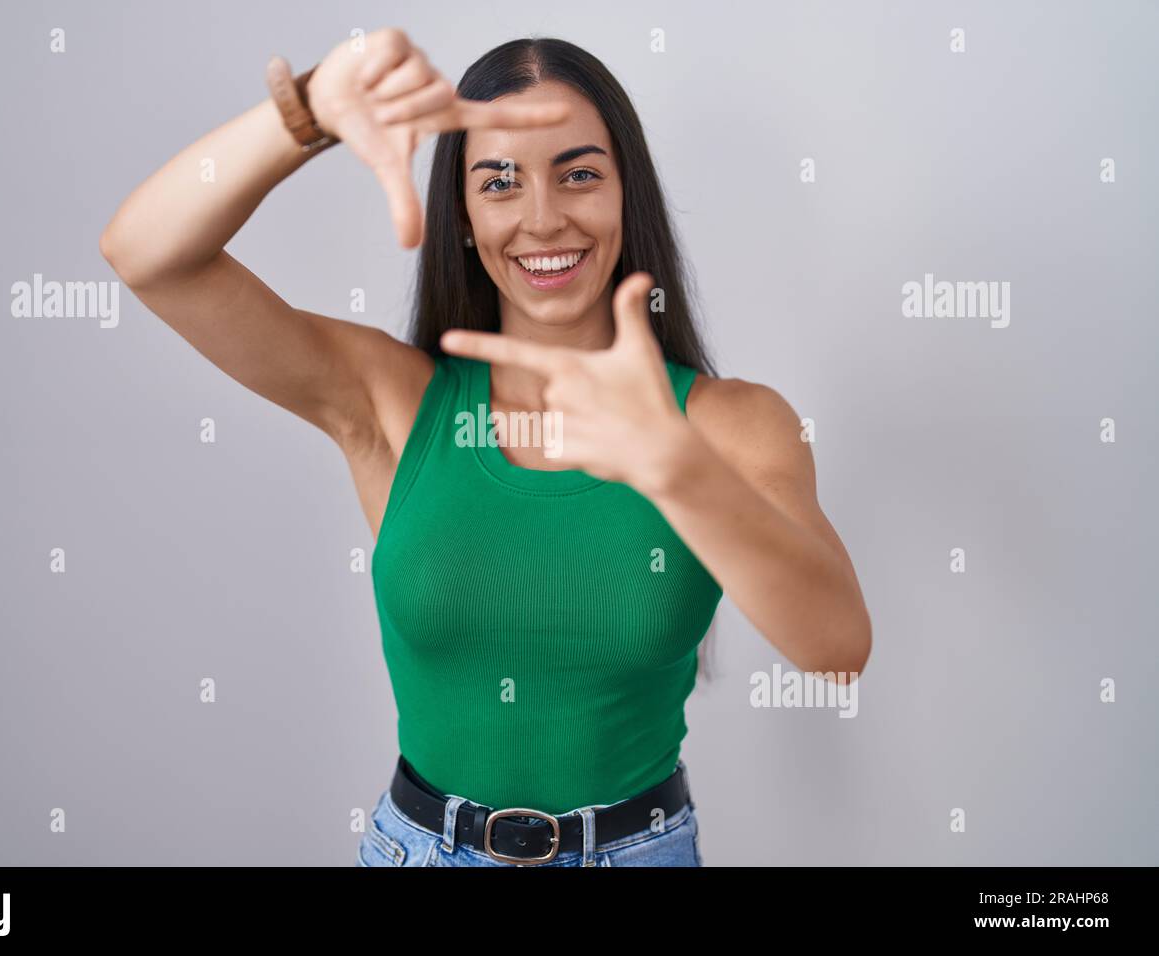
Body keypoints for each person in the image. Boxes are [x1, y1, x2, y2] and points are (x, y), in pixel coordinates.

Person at [99, 27, 872, 867]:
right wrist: (310, 112)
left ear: (627, 196)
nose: (542, 218)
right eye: (498, 182)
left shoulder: (732, 423)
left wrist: (676, 469)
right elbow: (148, 256)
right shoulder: (394, 401)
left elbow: (836, 651)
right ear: (463, 217)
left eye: (579, 174)